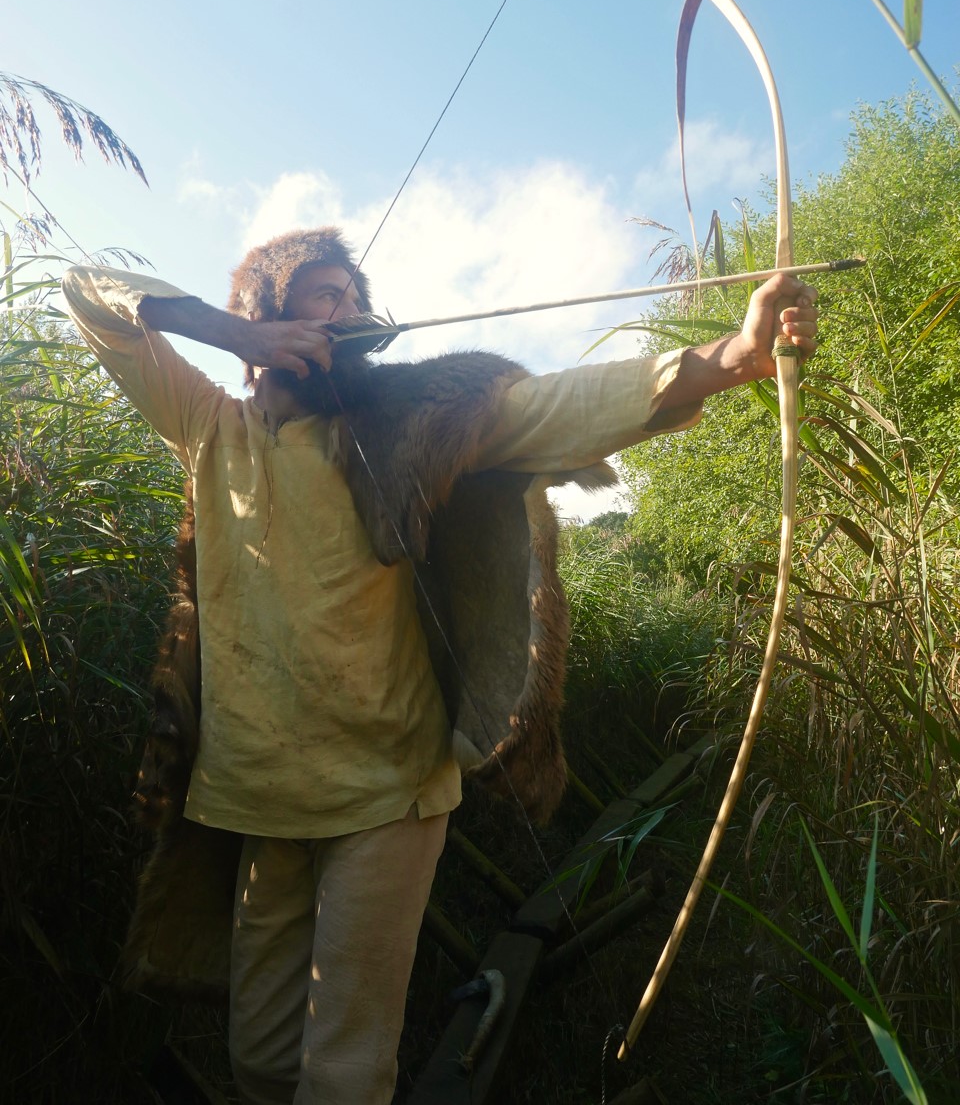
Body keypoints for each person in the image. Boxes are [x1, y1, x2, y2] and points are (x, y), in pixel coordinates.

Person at [61, 228, 818, 1104]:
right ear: (265, 313)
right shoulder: (208, 425)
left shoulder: (410, 423)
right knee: (261, 1061)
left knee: (343, 1074)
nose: (342, 308)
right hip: (255, 794)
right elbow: (87, 291)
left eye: (351, 295)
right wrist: (228, 335)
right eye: (319, 293)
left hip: (388, 789)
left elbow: (554, 407)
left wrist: (734, 354)